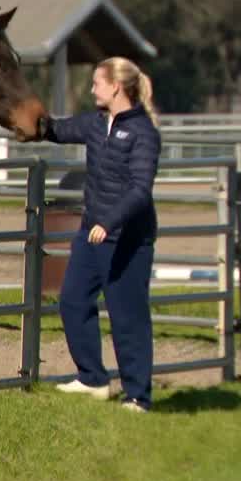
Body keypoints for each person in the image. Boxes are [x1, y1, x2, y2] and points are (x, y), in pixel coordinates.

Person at [43, 57, 161, 412]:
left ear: (115, 86)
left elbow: (140, 190)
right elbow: (58, 130)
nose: (92, 89)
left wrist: (109, 222)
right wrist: (24, 116)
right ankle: (93, 378)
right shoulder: (96, 124)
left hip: (127, 238)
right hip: (90, 233)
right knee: (73, 301)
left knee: (127, 316)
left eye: (97, 83)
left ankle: (138, 395)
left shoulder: (143, 133)